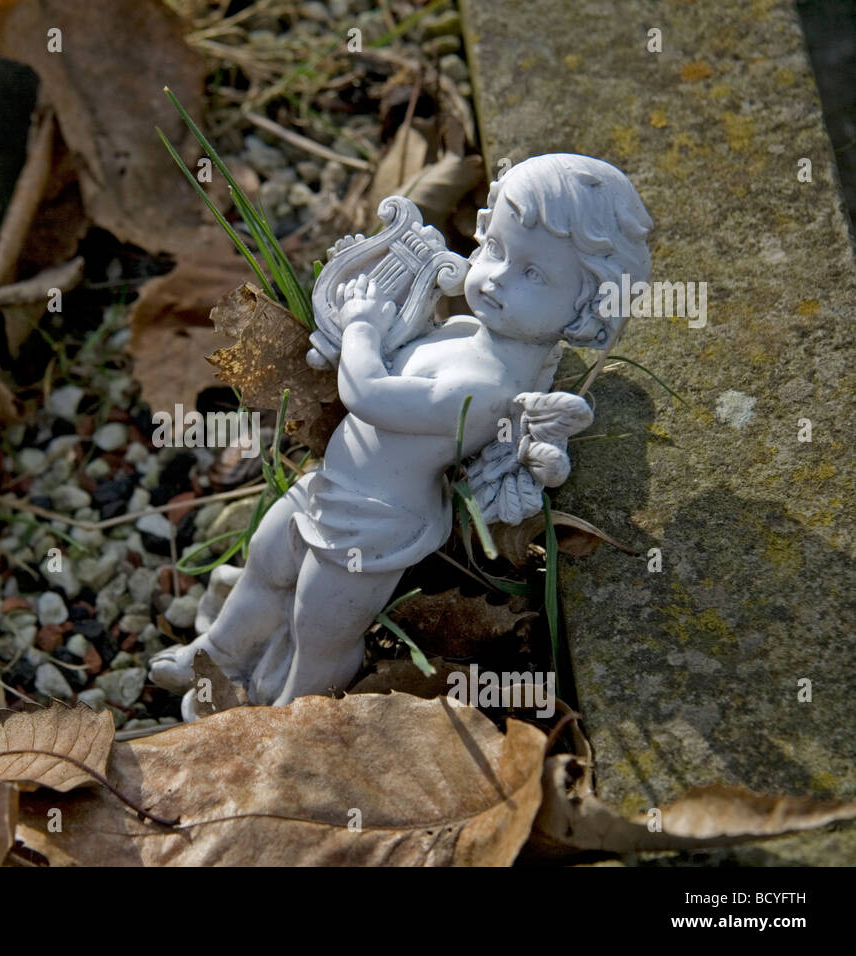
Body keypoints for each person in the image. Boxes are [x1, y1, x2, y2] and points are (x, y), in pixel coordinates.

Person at [150, 153, 653, 715]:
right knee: (266, 565)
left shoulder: (487, 388)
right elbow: (397, 361)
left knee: (320, 628)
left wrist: (362, 329)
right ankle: (216, 653)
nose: (494, 276)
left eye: (533, 274)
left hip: (373, 525)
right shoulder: (465, 332)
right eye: (495, 249)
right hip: (329, 484)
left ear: (585, 311)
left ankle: (297, 719)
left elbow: (368, 395)